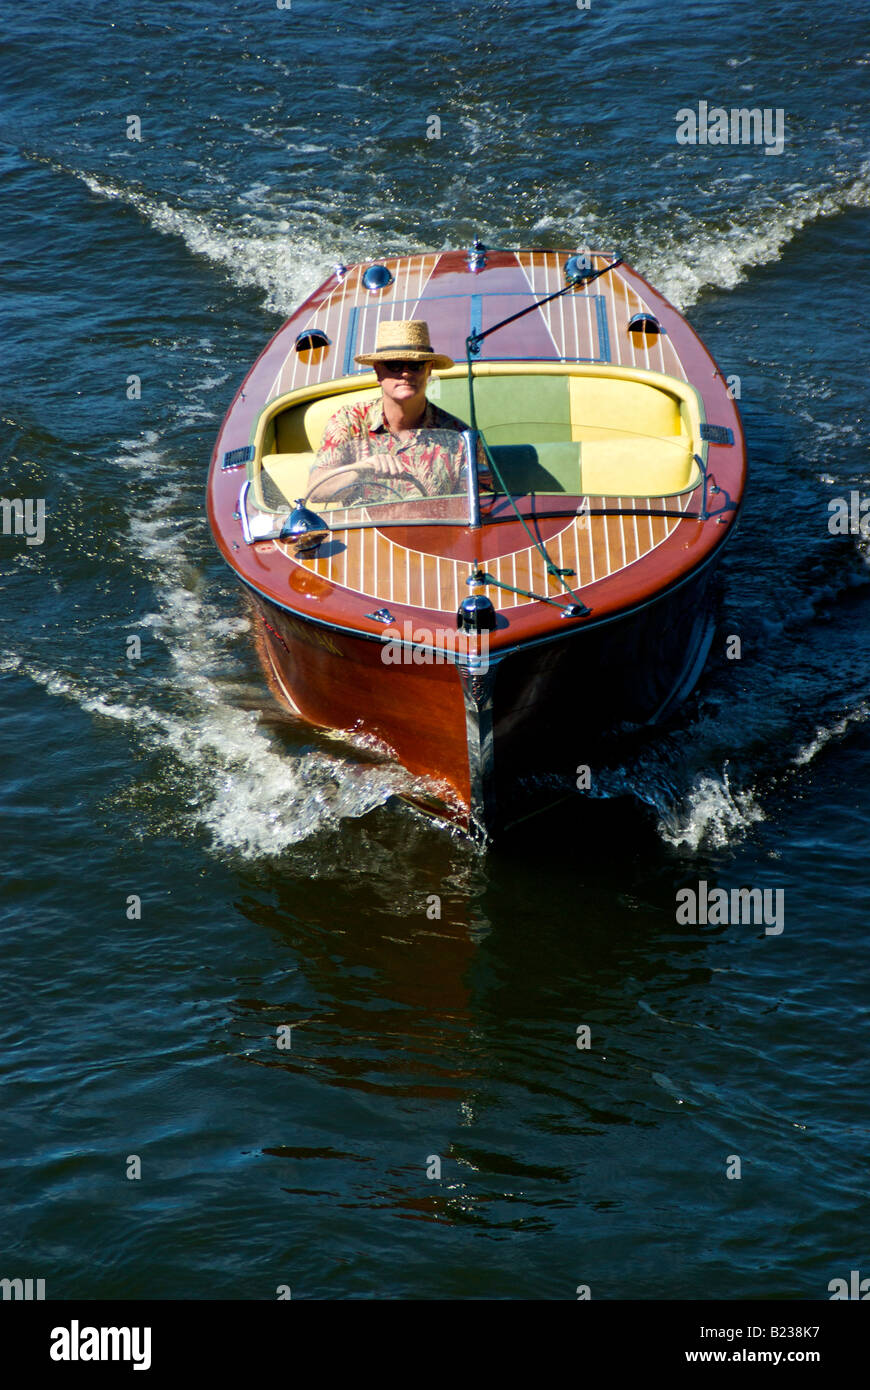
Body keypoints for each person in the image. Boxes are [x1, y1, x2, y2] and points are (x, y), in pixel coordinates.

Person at [306, 319, 479, 504]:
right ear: (378, 372)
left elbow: (477, 504)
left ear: (428, 370)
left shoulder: (460, 437)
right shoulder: (349, 422)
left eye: (415, 365)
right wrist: (360, 470)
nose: (405, 373)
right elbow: (316, 492)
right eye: (394, 365)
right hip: (366, 531)